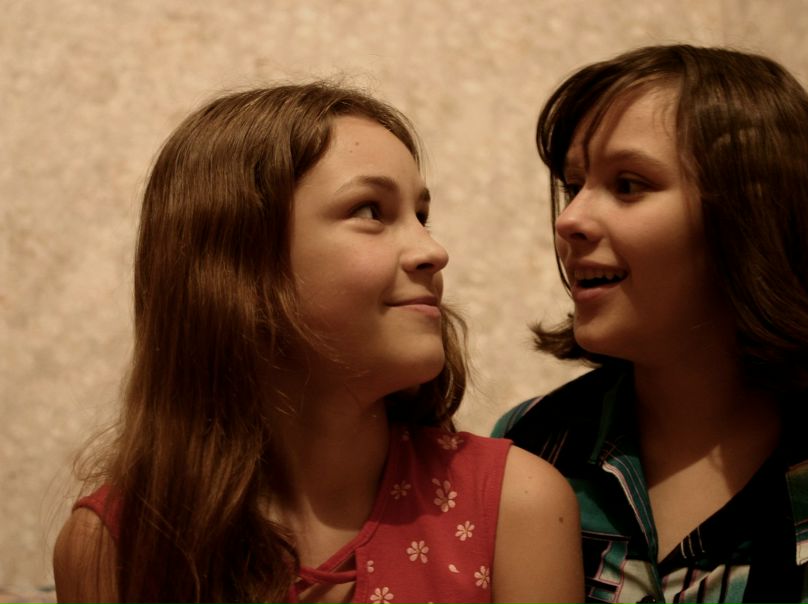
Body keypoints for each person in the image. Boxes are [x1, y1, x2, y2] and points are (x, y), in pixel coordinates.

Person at [53, 82, 584, 604]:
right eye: (371, 211)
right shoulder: (115, 548)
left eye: (421, 216)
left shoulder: (514, 506)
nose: (433, 250)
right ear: (239, 264)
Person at [493, 44, 808, 603]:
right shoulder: (533, 446)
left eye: (628, 185)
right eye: (573, 186)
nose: (569, 219)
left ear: (754, 217)